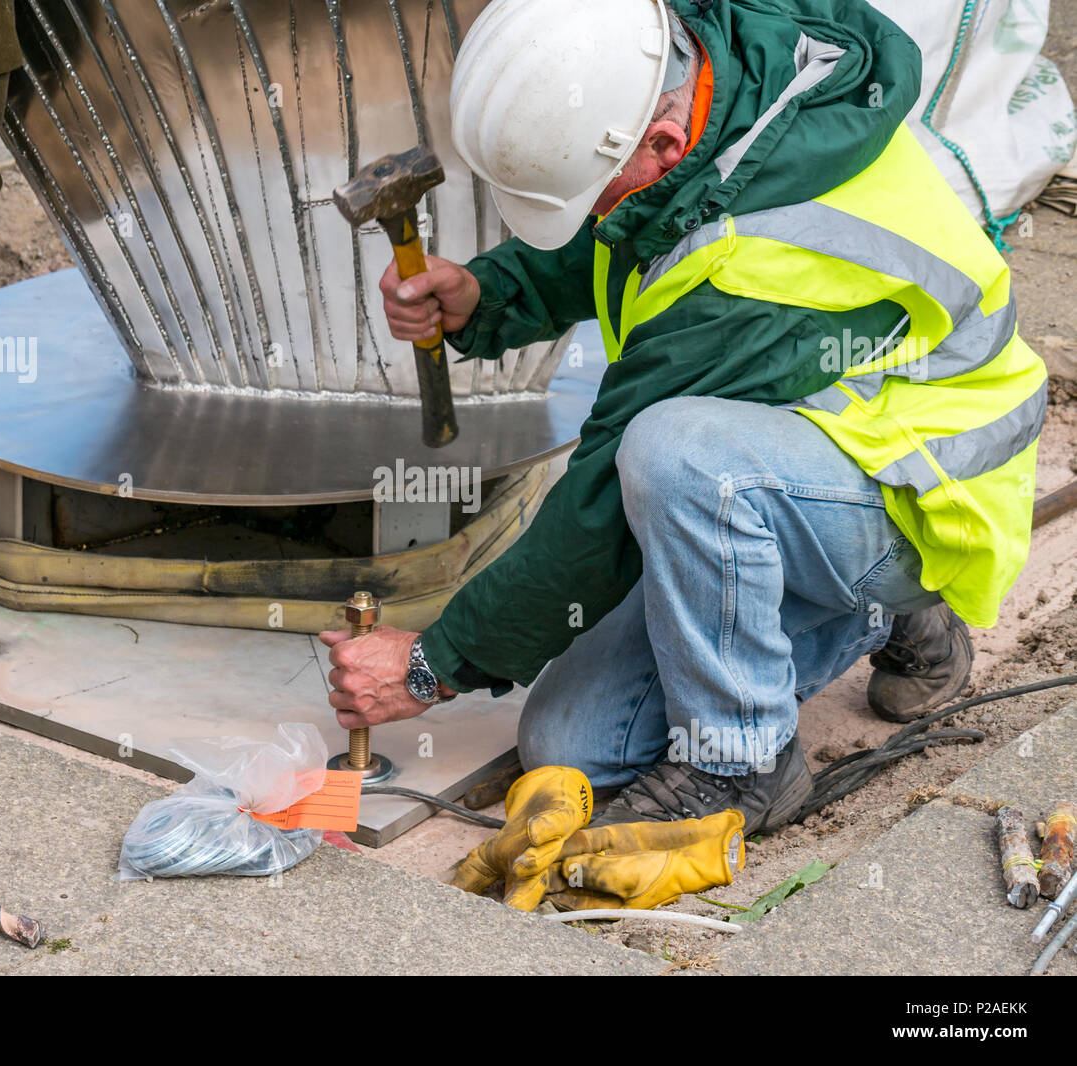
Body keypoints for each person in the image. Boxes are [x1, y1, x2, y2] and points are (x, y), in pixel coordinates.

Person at [321, 0, 1046, 834]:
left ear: (664, 146)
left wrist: (430, 666)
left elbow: (595, 514)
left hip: (929, 491)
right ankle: (866, 609)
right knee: (570, 745)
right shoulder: (711, 93)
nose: (592, 217)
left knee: (673, 454)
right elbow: (632, 230)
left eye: (589, 196)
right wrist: (491, 296)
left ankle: (742, 765)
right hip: (817, 458)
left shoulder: (757, 265)